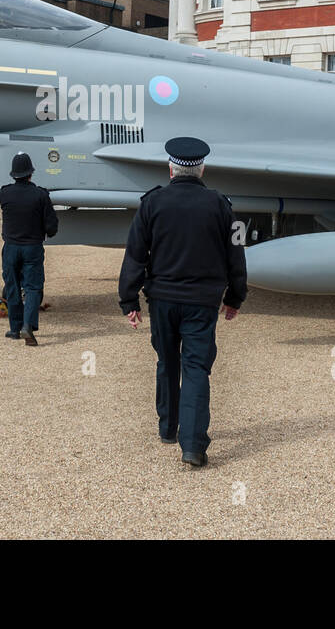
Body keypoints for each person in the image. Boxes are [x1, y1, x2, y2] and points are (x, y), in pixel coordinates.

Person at [118, 137, 246, 469]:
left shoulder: (151, 204)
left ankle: (168, 427)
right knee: (196, 369)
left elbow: (134, 253)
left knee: (167, 362)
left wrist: (128, 299)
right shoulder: (223, 206)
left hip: (162, 299)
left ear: (171, 170)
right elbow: (237, 254)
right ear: (202, 169)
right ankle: (192, 446)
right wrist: (235, 297)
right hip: (202, 304)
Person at [0, 152, 58, 346]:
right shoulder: (41, 195)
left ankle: (15, 328)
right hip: (32, 247)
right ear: (30, 173)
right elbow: (52, 227)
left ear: (13, 174)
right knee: (32, 288)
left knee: (12, 286)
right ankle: (28, 326)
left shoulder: (5, 193)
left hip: (10, 247)